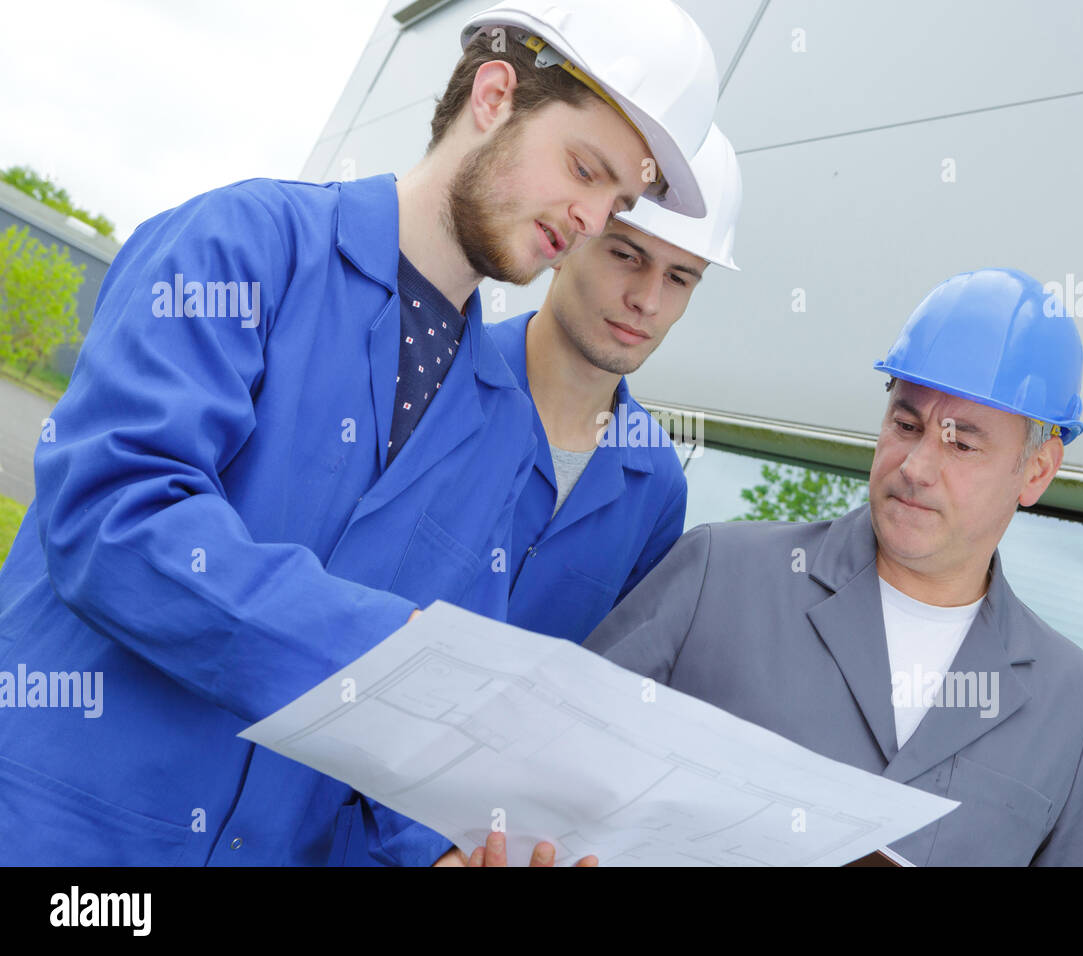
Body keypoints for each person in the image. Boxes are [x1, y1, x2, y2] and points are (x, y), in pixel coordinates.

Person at [0, 0, 720, 866]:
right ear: (494, 96)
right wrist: (390, 657)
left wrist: (440, 848)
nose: (593, 220)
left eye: (620, 199)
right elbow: (114, 526)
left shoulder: (502, 430)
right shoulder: (242, 247)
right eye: (584, 167)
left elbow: (426, 738)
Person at [584, 268, 1083, 866]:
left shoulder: (1072, 702)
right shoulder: (718, 575)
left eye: (961, 444)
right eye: (906, 424)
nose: (916, 467)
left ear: (1038, 471)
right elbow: (548, 765)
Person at [490, 124, 742, 645]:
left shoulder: (659, 486)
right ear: (564, 242)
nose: (647, 301)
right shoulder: (440, 375)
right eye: (627, 256)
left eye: (679, 278)